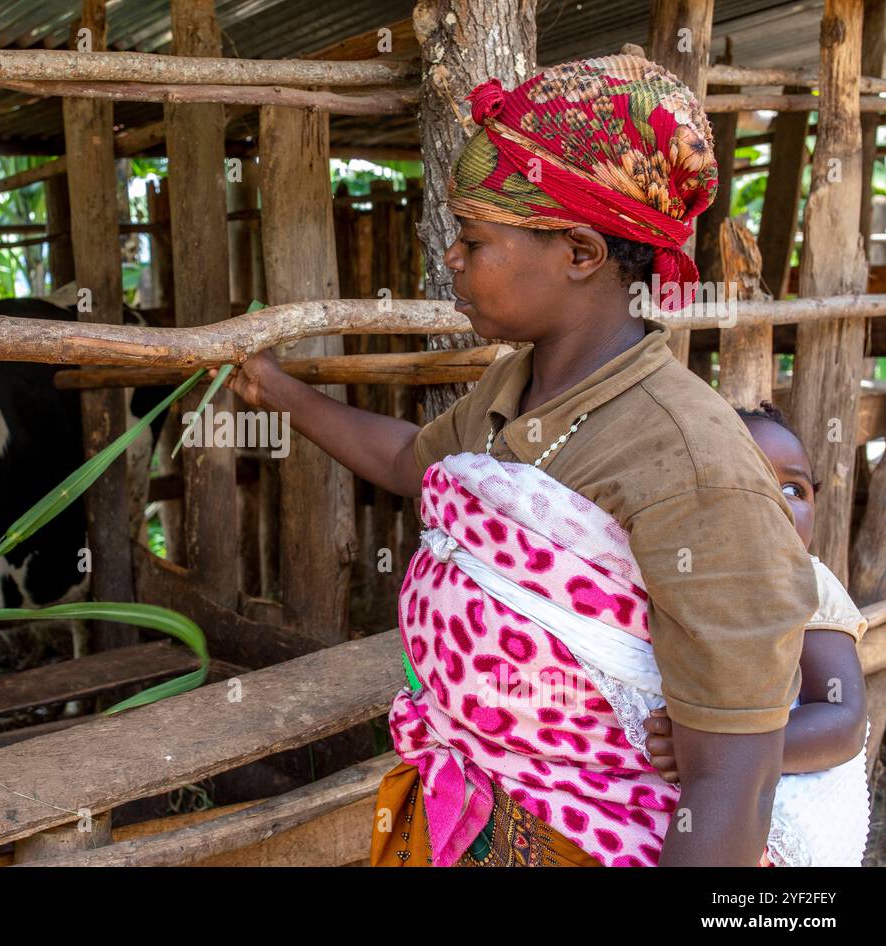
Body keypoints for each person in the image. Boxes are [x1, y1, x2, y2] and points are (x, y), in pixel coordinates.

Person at [213, 54, 818, 866]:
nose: (451, 261)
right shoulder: (521, 383)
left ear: (578, 252)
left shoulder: (690, 466)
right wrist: (281, 392)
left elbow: (729, 785)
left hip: (589, 842)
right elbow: (412, 463)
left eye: (473, 240)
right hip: (476, 812)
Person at [642, 402, 869, 864]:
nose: (775, 504)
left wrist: (719, 753)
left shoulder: (807, 583)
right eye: (748, 482)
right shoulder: (667, 571)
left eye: (793, 488)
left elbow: (843, 719)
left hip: (775, 780)